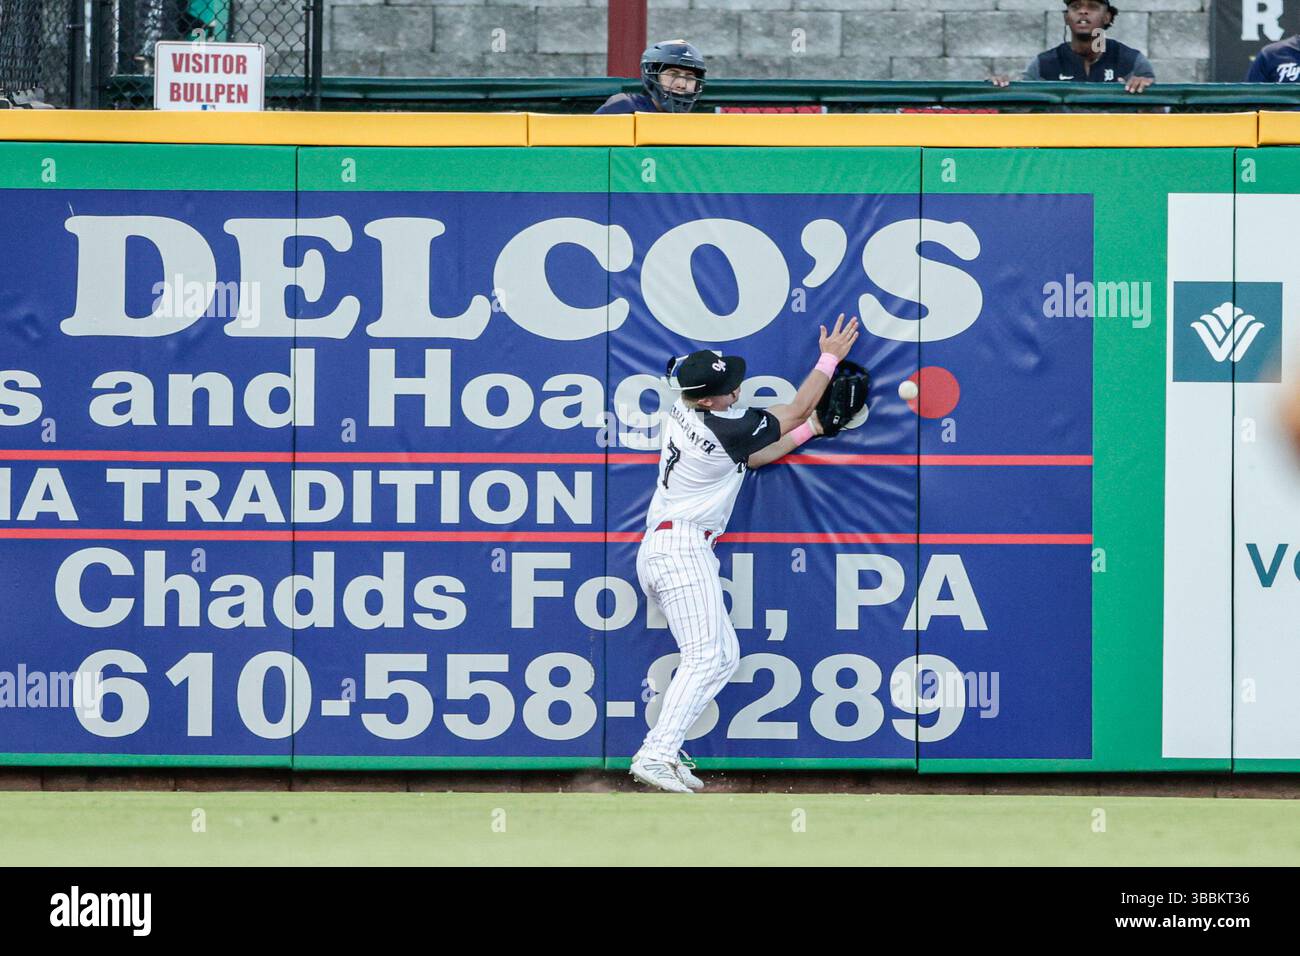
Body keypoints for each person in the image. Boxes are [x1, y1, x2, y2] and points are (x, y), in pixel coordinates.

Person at [629, 316, 861, 793]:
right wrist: (829, 358)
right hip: (681, 548)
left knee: (722, 655)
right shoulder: (725, 427)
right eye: (729, 387)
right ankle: (655, 753)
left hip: (673, 544)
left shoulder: (687, 408)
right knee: (707, 654)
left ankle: (665, 751)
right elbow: (794, 409)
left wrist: (813, 428)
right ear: (709, 398)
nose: (737, 389)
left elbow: (755, 456)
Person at [990, 0, 1154, 93]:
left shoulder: (1131, 60)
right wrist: (1001, 88)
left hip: (1116, 148)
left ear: (1106, 17)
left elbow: (1158, 117)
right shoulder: (1044, 63)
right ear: (1066, 17)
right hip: (1060, 150)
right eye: (1076, 7)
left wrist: (1144, 92)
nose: (1083, 12)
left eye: (1092, 7)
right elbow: (1020, 113)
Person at [596, 39, 706, 114]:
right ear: (653, 76)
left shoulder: (699, 124)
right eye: (673, 74)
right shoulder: (623, 107)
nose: (682, 85)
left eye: (690, 77)